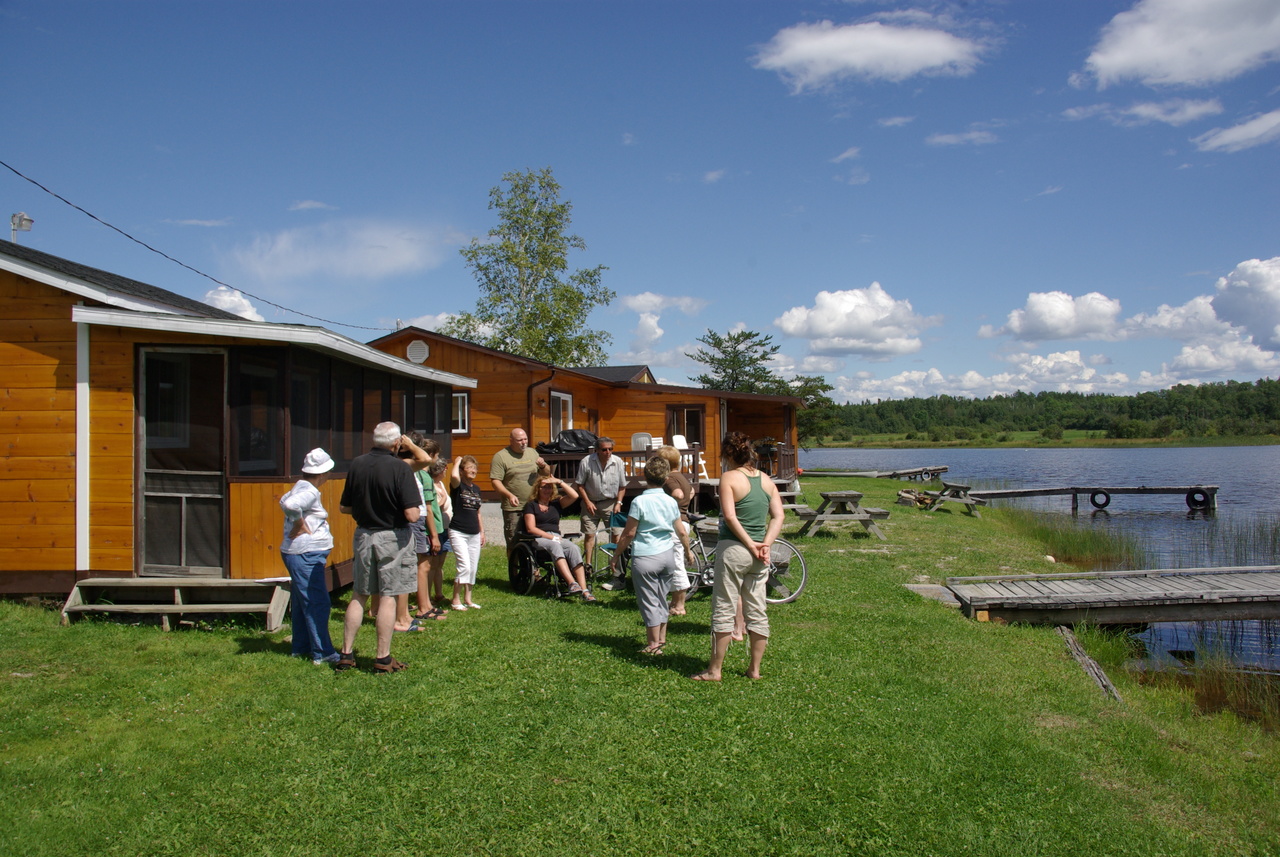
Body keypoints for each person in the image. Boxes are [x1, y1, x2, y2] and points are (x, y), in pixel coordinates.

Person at [691, 432, 783, 682]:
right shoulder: (766, 480)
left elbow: (730, 517)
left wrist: (749, 544)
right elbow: (779, 516)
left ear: (727, 454)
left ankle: (714, 670)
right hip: (759, 555)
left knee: (724, 606)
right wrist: (765, 544)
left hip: (734, 549)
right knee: (757, 609)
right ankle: (754, 670)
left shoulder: (729, 478)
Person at [337, 422, 423, 673]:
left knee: (359, 594)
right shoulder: (400, 468)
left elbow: (344, 507)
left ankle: (346, 654)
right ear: (397, 443)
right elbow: (411, 514)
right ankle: (382, 658)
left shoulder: (357, 464)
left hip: (364, 535)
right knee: (388, 595)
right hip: (392, 538)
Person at [609, 456, 693, 655]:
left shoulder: (640, 501)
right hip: (667, 556)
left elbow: (629, 533)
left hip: (646, 556)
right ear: (665, 478)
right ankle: (661, 639)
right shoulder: (670, 501)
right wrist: (688, 551)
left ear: (645, 477)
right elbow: (681, 531)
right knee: (662, 599)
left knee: (649, 601)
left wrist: (616, 555)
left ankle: (653, 645)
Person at [279, 448, 339, 664]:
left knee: (303, 600)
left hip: (299, 552)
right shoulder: (310, 491)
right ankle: (323, 652)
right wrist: (298, 522)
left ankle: (302, 646)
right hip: (305, 553)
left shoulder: (300, 486)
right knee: (317, 602)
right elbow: (289, 504)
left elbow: (284, 500)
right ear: (323, 473)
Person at [522, 474, 595, 601]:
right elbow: (531, 528)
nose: (547, 490)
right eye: (544, 487)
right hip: (539, 538)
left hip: (556, 537)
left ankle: (584, 590)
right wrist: (550, 537)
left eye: (549, 487)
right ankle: (572, 584)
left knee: (573, 548)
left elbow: (575, 495)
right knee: (555, 545)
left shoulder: (556, 504)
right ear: (537, 489)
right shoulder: (531, 505)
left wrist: (559, 481)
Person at [574, 436, 627, 589]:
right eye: (604, 449)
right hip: (590, 502)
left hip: (610, 503)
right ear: (597, 450)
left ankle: (616, 570)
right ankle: (588, 567)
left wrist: (619, 503)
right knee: (590, 534)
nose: (608, 452)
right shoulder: (587, 461)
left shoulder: (617, 462)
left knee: (615, 535)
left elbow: (622, 486)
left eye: (610, 449)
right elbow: (580, 484)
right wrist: (587, 502)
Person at [490, 428, 548, 555]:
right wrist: (509, 495)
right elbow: (495, 481)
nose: (523, 442)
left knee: (535, 539)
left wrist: (543, 466)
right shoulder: (501, 457)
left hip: (533, 506)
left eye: (525, 439)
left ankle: (534, 571)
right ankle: (514, 572)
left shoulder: (532, 453)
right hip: (514, 508)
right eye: (519, 440)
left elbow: (546, 474)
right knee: (514, 542)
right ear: (511, 441)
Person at [655, 444, 694, 615]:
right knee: (676, 562)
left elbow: (678, 494)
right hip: (682, 520)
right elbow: (690, 491)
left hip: (675, 524)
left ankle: (679, 606)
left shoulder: (669, 478)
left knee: (677, 564)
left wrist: (669, 506)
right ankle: (675, 601)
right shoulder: (682, 476)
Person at [448, 455, 486, 610]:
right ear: (462, 471)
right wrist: (457, 462)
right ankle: (455, 600)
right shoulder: (457, 486)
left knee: (473, 566)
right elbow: (454, 476)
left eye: (474, 468)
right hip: (458, 531)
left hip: (474, 533)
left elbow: (478, 512)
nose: (473, 471)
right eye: (469, 468)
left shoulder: (476, 489)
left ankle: (468, 599)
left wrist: (482, 532)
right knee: (463, 565)